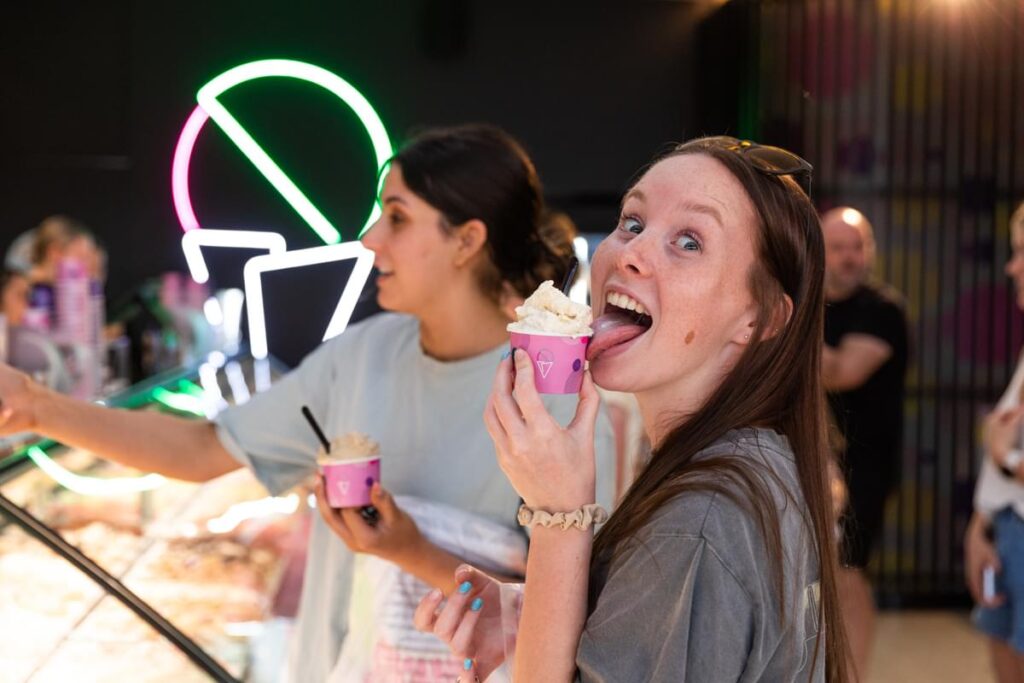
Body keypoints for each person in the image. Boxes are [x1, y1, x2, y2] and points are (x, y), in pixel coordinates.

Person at [0, 124, 615, 681]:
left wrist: (408, 551)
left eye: (396, 218)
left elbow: (577, 610)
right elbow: (205, 448)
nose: (370, 239)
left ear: (466, 240)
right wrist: (34, 406)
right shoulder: (362, 355)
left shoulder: (560, 396)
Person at [416, 136, 848, 682]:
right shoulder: (758, 465)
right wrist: (558, 609)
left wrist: (558, 514)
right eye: (633, 223)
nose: (630, 254)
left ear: (758, 321)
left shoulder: (700, 521)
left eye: (689, 242)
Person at [820, 206, 908, 677]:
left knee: (847, 573)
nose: (851, 258)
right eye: (839, 248)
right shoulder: (811, 304)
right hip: (812, 460)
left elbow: (838, 373)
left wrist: (779, 317)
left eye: (859, 247)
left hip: (865, 465)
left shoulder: (883, 310)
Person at [966, 202, 1024, 683]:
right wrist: (982, 527)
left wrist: (1006, 457)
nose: (1012, 267)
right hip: (1010, 529)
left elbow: (1003, 446)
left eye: (1023, 252)